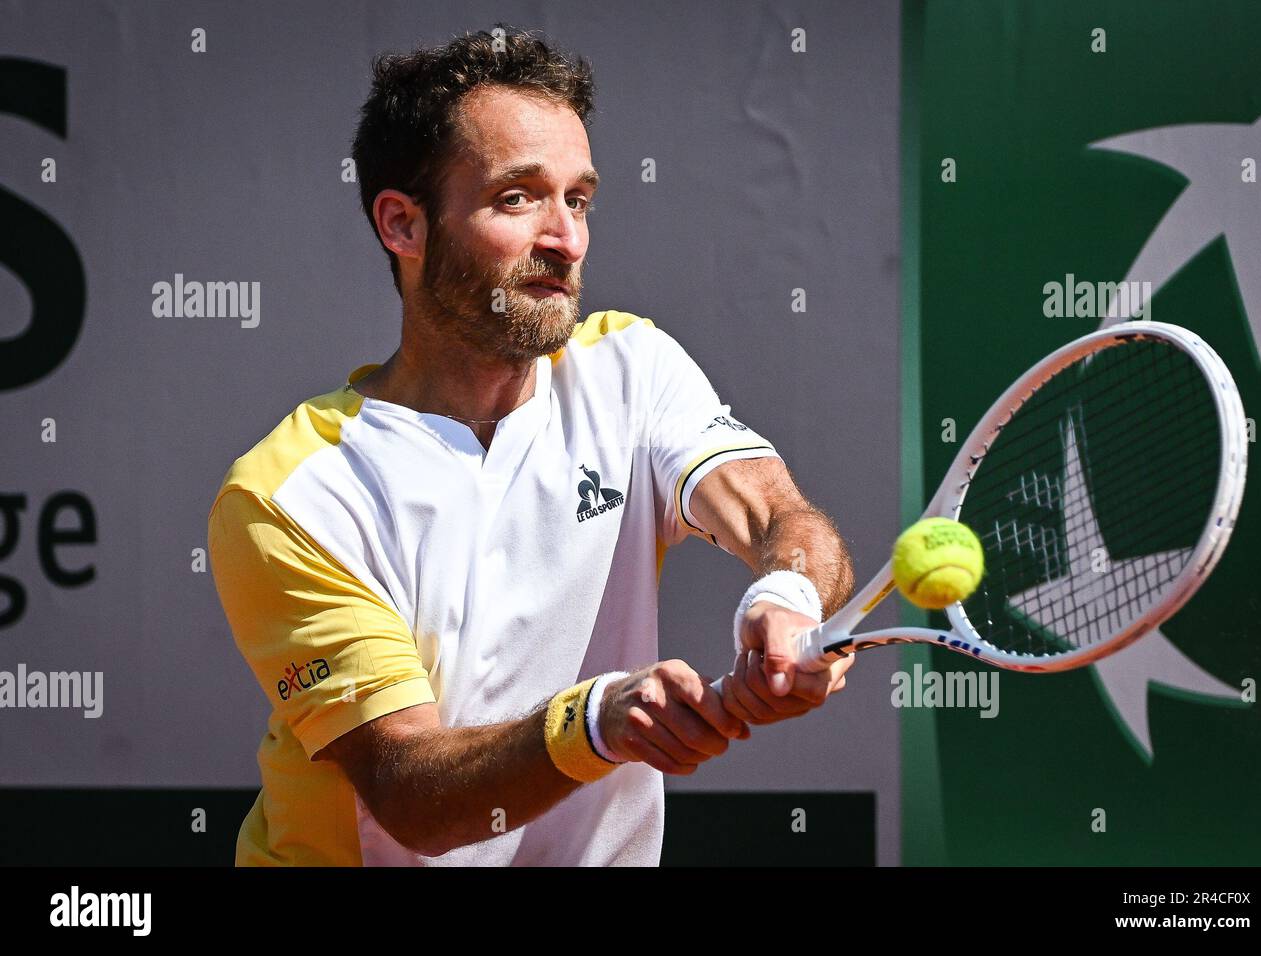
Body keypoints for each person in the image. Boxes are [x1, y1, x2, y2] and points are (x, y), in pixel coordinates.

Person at [208, 26, 855, 866]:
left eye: (578, 200)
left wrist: (791, 596)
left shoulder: (630, 367)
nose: (567, 240)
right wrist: (596, 721)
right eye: (518, 199)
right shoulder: (289, 495)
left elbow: (776, 511)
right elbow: (412, 797)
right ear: (403, 225)